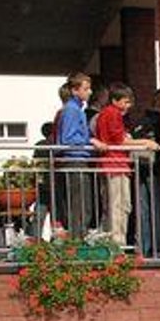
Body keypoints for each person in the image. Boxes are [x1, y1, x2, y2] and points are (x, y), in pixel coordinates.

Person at [93, 83, 160, 247]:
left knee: (117, 206)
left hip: (112, 165)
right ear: (115, 100)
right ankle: (117, 245)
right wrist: (147, 142)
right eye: (126, 102)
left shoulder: (106, 114)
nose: (128, 106)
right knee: (120, 207)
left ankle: (113, 242)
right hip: (115, 165)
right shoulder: (113, 114)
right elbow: (121, 141)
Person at [57, 72, 99, 237]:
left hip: (80, 160)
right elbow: (68, 138)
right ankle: (76, 242)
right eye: (86, 89)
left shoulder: (76, 110)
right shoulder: (71, 110)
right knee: (79, 205)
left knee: (85, 205)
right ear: (75, 91)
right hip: (74, 161)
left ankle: (79, 238)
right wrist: (90, 142)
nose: (89, 92)